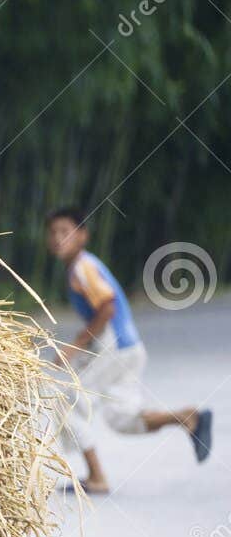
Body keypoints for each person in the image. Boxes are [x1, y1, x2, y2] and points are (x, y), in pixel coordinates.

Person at [45, 206, 212, 493]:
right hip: (129, 348)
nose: (58, 238)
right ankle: (187, 417)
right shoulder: (82, 266)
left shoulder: (83, 268)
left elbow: (107, 307)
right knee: (122, 418)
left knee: (67, 403)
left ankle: (97, 477)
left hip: (115, 348)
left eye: (65, 231)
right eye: (53, 232)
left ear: (82, 235)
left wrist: (74, 347)